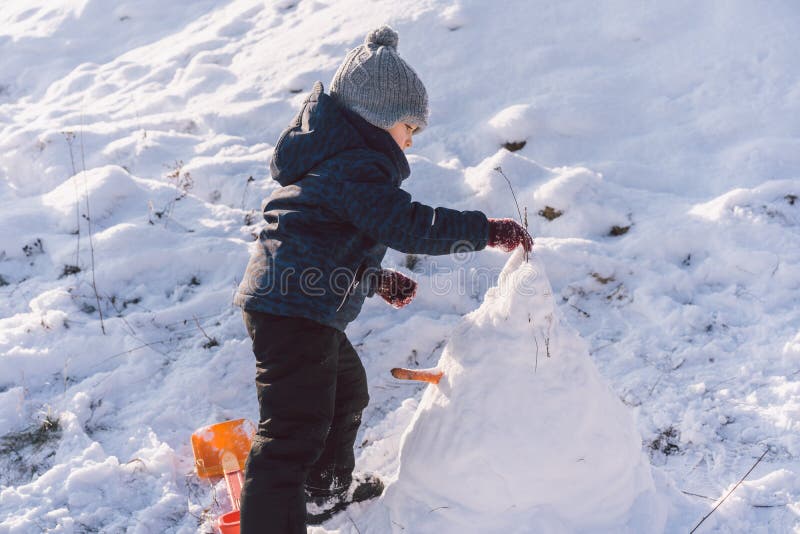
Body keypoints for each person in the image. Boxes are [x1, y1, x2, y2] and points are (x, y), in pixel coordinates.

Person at [233, 25, 532, 533]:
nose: (411, 140)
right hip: (293, 313)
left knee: (347, 392)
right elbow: (408, 224)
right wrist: (483, 230)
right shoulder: (357, 166)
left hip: (298, 306)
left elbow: (325, 245)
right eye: (407, 127)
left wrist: (375, 279)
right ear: (374, 119)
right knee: (289, 435)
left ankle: (323, 491)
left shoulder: (338, 165)